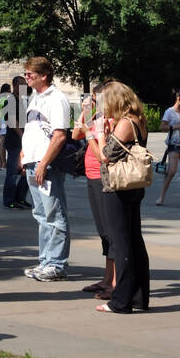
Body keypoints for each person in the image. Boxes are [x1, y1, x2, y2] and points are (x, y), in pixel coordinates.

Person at [95, 81, 150, 314]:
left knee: (121, 241)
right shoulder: (136, 119)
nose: (101, 105)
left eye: (104, 100)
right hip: (132, 186)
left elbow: (105, 157)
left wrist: (94, 135)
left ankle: (121, 300)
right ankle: (138, 296)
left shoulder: (126, 122)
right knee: (134, 239)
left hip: (118, 187)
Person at [20, 57, 72, 282]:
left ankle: (56, 264)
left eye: (30, 73)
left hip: (46, 165)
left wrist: (42, 163)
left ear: (44, 75)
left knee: (55, 214)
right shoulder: (35, 98)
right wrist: (25, 156)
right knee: (41, 215)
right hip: (34, 163)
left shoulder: (56, 98)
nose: (26, 77)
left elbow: (59, 135)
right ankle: (46, 261)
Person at [74, 84, 114, 300]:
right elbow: (75, 134)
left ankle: (114, 282)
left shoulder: (111, 120)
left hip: (102, 175)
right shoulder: (96, 116)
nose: (94, 102)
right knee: (103, 232)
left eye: (97, 99)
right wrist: (86, 113)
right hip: (91, 174)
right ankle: (107, 279)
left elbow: (102, 152)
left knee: (110, 231)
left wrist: (91, 132)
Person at [3, 76, 30, 209]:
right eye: (21, 84)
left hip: (24, 140)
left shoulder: (23, 100)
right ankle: (9, 199)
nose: (23, 87)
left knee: (27, 171)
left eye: (24, 84)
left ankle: (20, 197)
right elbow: (12, 121)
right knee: (13, 172)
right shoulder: (11, 99)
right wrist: (22, 136)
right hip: (15, 141)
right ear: (14, 85)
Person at [156, 89, 180, 206]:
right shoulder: (169, 111)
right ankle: (161, 197)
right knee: (172, 171)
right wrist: (176, 127)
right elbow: (162, 126)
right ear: (178, 98)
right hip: (174, 144)